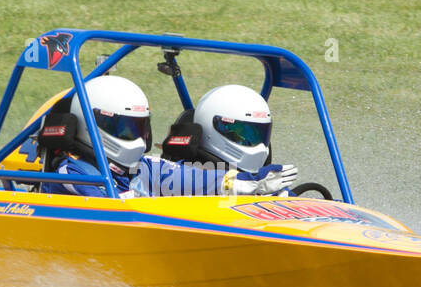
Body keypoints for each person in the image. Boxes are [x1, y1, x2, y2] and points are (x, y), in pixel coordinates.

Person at [44, 77, 297, 198]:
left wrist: (249, 185)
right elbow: (110, 208)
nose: (135, 138)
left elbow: (192, 179)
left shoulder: (143, 167)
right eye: (123, 128)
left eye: (137, 127)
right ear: (91, 124)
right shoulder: (72, 172)